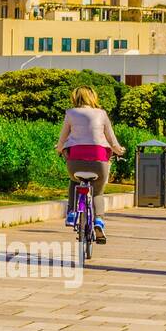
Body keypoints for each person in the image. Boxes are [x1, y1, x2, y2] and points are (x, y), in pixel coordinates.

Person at [55, 86, 125, 242]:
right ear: (93, 97)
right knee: (98, 192)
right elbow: (112, 140)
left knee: (74, 181)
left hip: (75, 161)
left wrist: (59, 149)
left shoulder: (70, 113)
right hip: (99, 161)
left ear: (76, 97)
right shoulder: (102, 114)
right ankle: (98, 220)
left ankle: (72, 212)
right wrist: (119, 151)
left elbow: (62, 139)